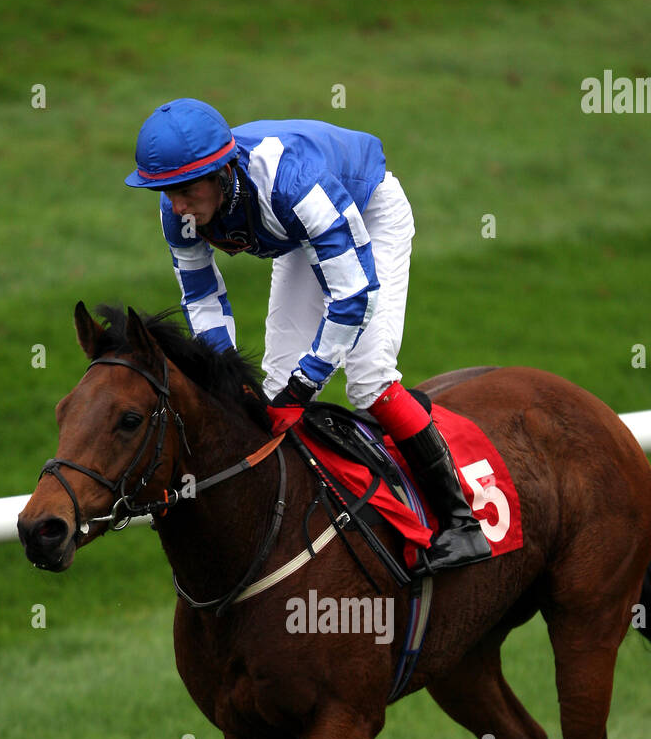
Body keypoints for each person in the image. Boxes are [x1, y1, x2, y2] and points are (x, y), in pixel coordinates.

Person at [125, 98, 491, 571]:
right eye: (164, 190)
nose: (177, 205)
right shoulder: (179, 208)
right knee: (270, 393)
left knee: (369, 381)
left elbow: (353, 296)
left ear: (220, 172)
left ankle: (462, 523)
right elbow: (201, 297)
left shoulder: (292, 182)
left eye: (186, 190)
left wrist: (308, 383)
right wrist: (228, 376)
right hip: (295, 234)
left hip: (366, 210)